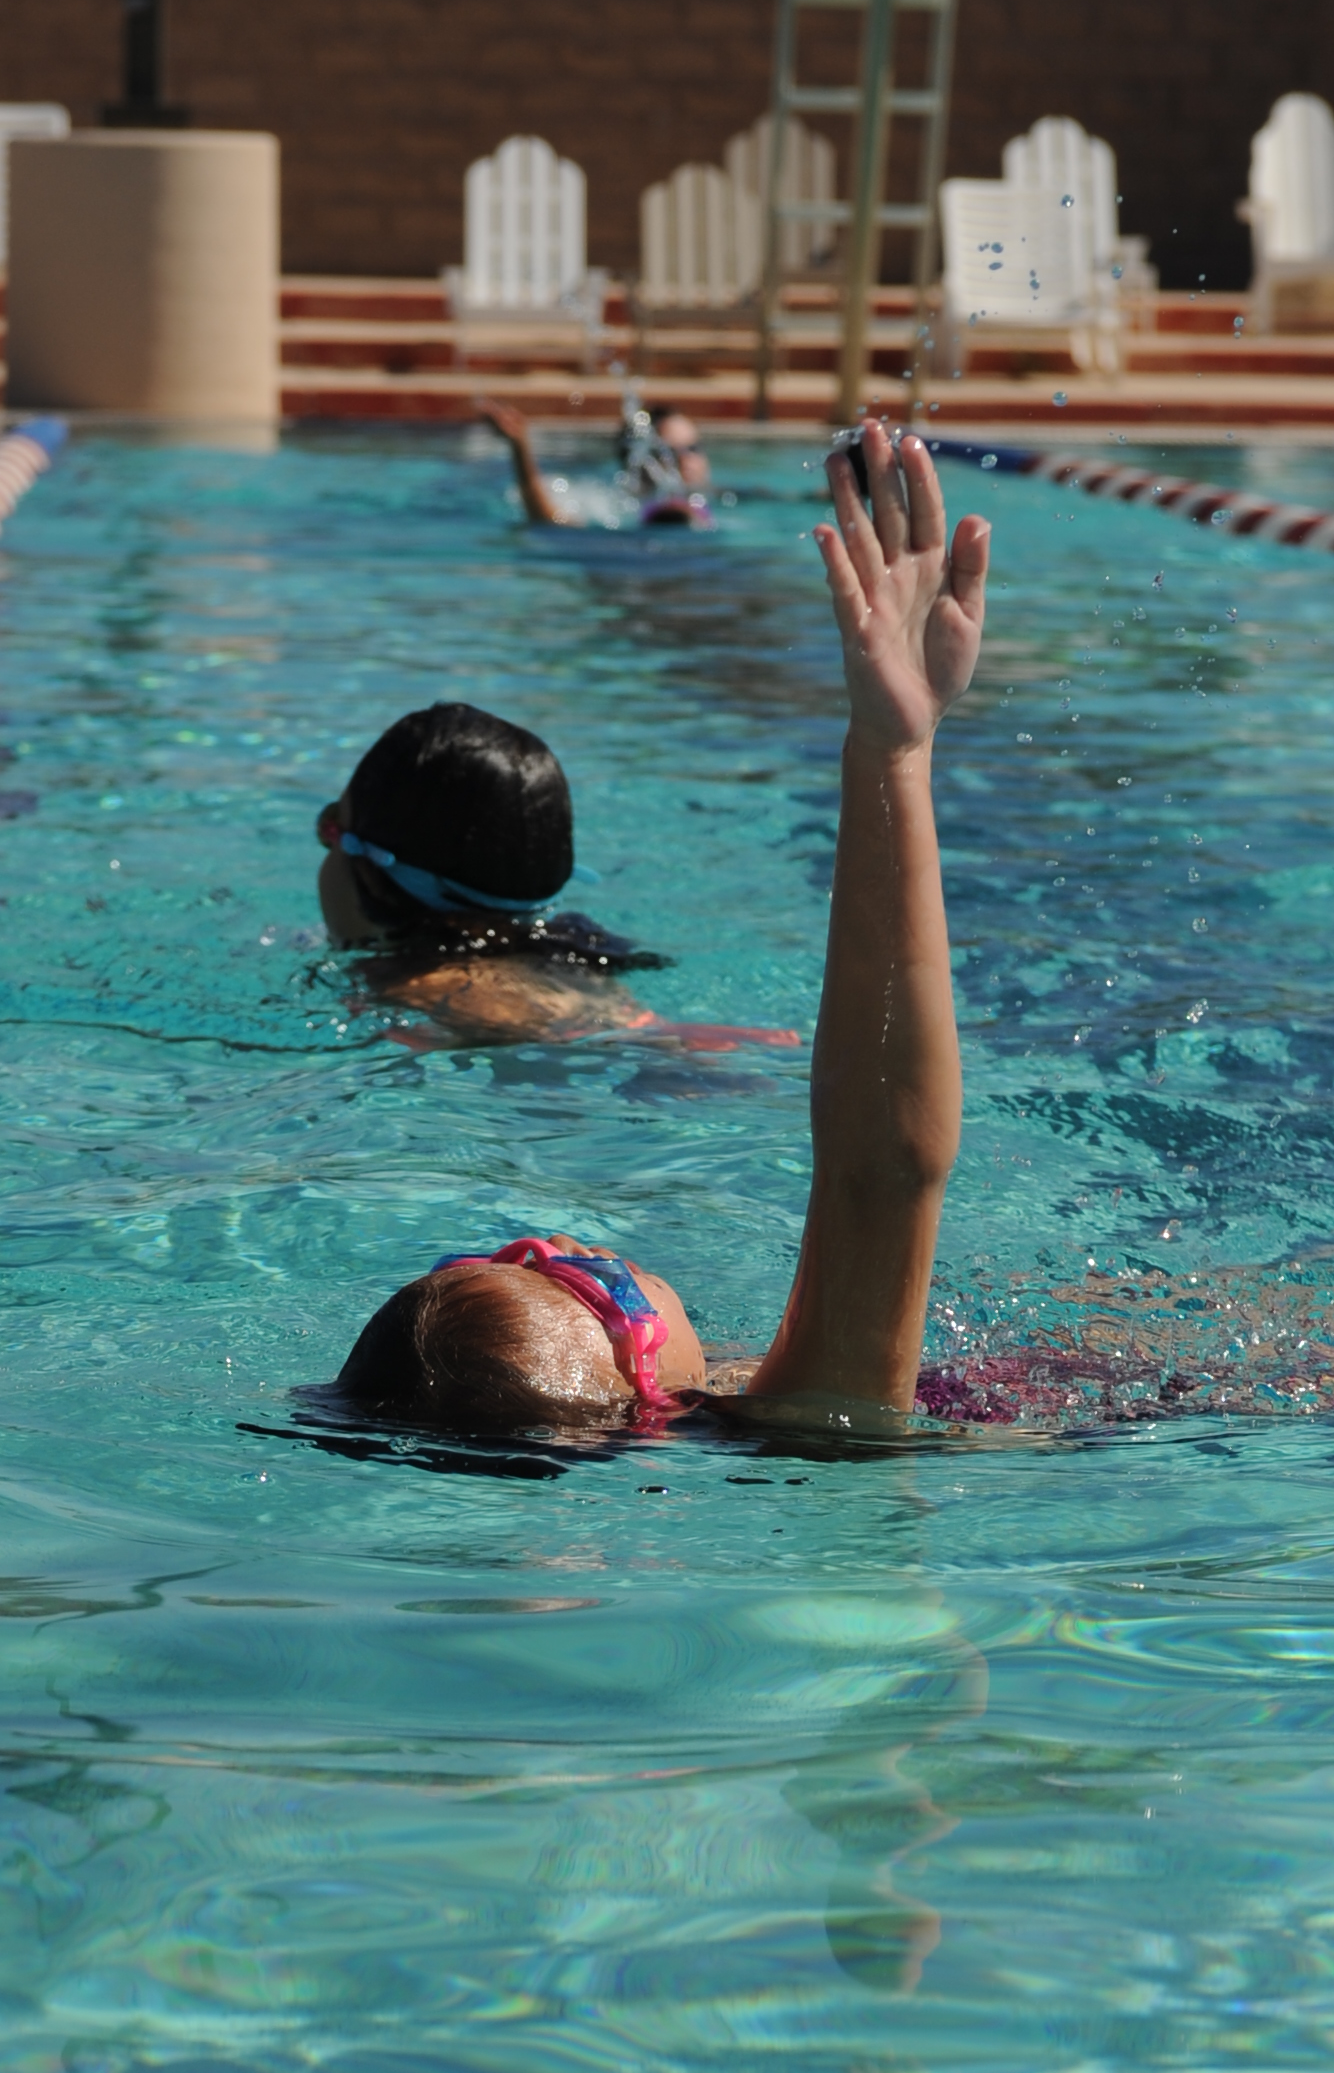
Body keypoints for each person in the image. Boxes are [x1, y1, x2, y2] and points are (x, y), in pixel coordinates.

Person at [338, 415, 979, 1432]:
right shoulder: (818, 1420)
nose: (564, 1238)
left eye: (502, 1253)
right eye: (595, 1284)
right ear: (648, 1399)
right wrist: (891, 755)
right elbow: (880, 1165)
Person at [319, 696, 792, 1055]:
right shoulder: (565, 945)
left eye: (329, 826)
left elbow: (603, 1038)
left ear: (371, 867)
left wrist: (659, 1042)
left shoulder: (426, 988)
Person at [483, 397, 713, 532]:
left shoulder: (726, 497)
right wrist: (521, 449)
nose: (687, 460)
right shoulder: (614, 509)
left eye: (693, 449)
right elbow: (552, 523)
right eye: (670, 453)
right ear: (640, 459)